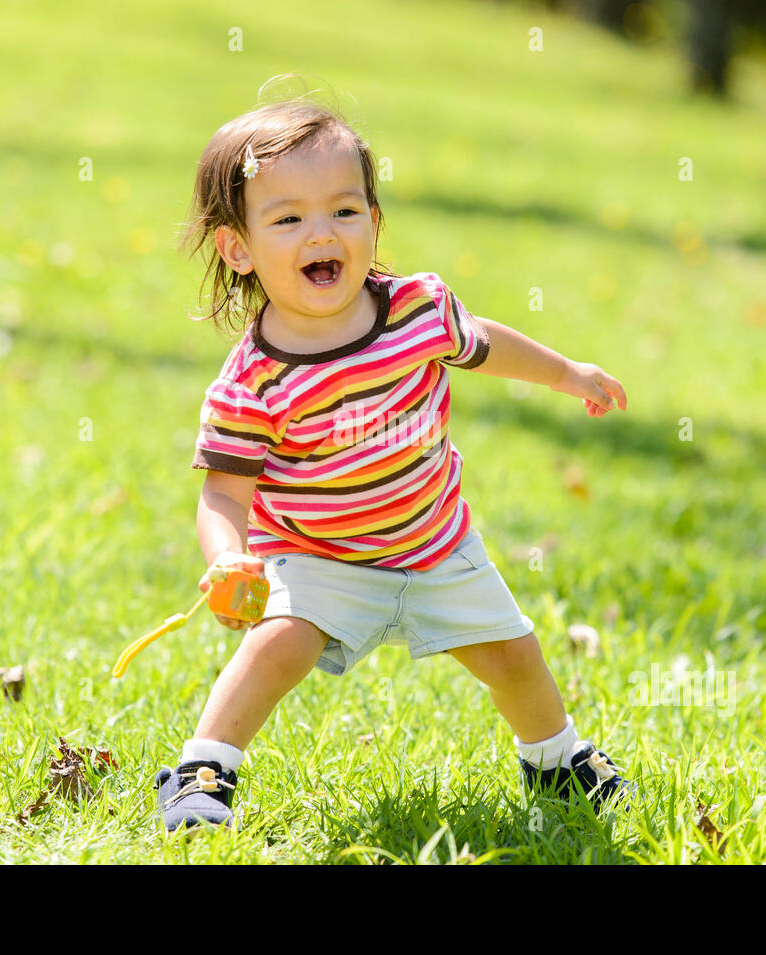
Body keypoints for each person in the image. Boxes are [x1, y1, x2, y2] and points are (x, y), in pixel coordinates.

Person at [159, 97, 633, 833]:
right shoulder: (253, 380)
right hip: (319, 554)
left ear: (374, 223)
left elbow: (485, 343)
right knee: (277, 645)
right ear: (238, 248)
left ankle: (558, 760)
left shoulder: (415, 311)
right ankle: (204, 768)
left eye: (345, 210)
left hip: (435, 540)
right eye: (288, 220)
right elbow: (223, 491)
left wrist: (566, 372)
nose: (322, 232)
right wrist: (229, 561)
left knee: (514, 655)